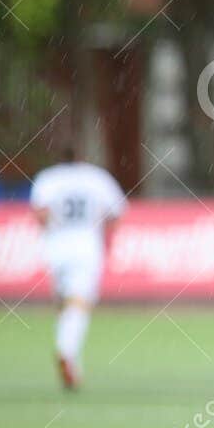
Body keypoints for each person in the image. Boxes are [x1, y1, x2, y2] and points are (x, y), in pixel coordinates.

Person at [30, 145, 128, 390]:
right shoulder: (96, 177)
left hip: (55, 247)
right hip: (85, 246)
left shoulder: (48, 178)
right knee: (80, 303)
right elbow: (116, 213)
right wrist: (105, 237)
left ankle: (71, 360)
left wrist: (53, 229)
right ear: (82, 157)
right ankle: (67, 351)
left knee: (64, 303)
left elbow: (40, 214)